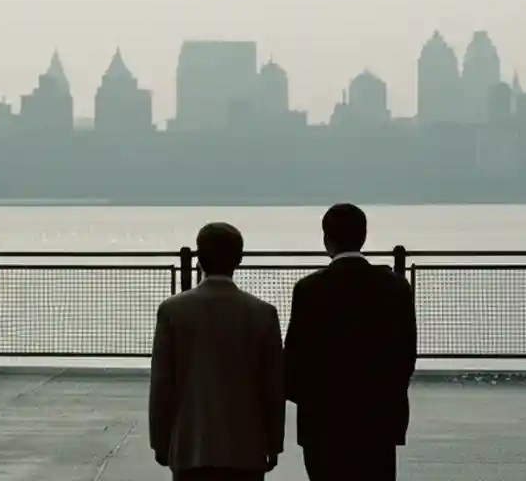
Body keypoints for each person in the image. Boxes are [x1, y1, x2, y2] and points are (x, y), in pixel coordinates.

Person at [284, 203, 418, 481]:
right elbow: (405, 356)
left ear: (326, 240)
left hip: (323, 421)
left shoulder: (309, 289)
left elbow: (295, 359)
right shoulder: (395, 287)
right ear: (364, 236)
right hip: (378, 420)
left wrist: (307, 398)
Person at [149, 222, 285, 480]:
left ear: (199, 259)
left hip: (191, 447)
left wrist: (160, 440)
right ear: (239, 260)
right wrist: (273, 443)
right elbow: (272, 387)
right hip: (247, 449)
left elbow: (162, 384)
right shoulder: (263, 314)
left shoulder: (173, 311)